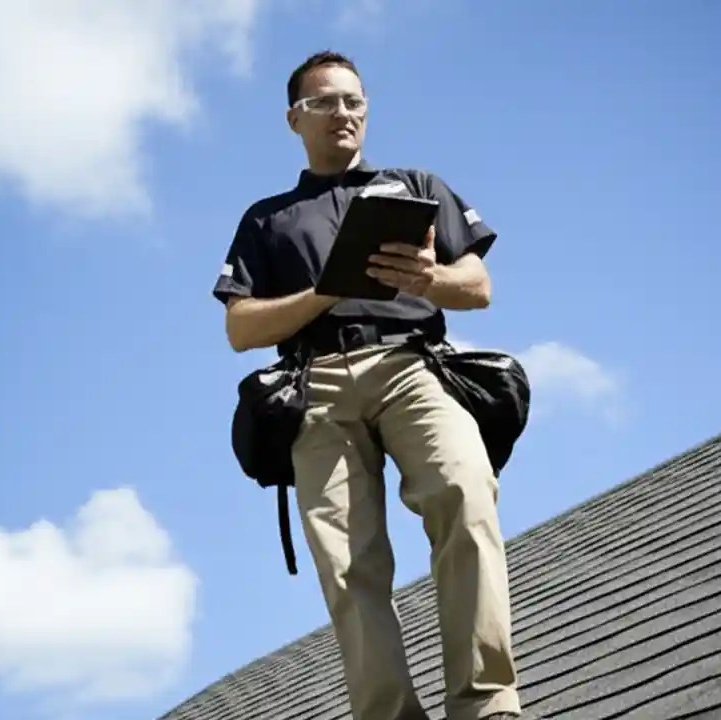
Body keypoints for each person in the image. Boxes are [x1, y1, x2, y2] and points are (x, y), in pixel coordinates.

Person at [211, 50, 521, 720]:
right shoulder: (266, 219)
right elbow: (240, 328)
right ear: (295, 118)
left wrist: (426, 280)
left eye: (353, 101)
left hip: (412, 365)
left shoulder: (414, 186)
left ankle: (487, 706)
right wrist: (325, 292)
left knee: (465, 491)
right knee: (349, 567)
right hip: (315, 384)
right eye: (324, 103)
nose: (342, 114)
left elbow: (479, 286)